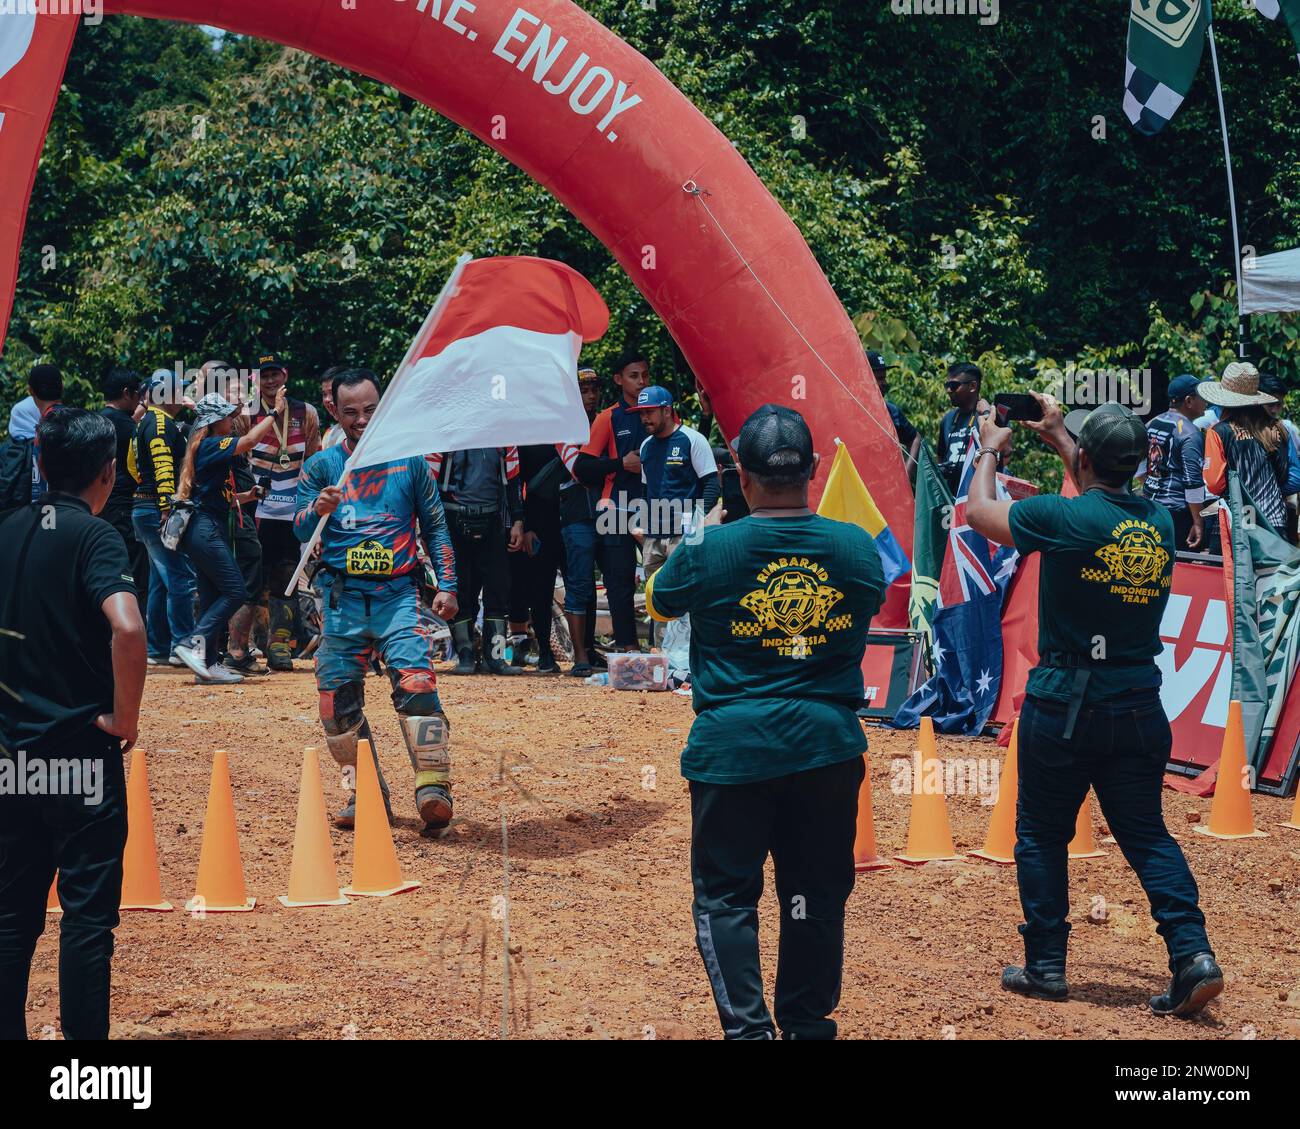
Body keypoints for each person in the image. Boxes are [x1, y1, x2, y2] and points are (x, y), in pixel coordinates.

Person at [966, 394, 1222, 1018]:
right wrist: (1060, 435)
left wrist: (988, 452)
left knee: (1041, 835)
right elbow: (1102, 496)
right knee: (1147, 835)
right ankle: (1192, 955)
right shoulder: (1158, 521)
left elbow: (979, 512)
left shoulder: (1062, 517)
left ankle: (1047, 965)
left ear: (1084, 458)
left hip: (1065, 705)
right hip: (1137, 703)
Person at [646, 404, 886, 1040]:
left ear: (739, 475)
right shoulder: (855, 547)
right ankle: (806, 1025)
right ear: (812, 470)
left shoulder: (707, 546)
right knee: (812, 894)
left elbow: (659, 600)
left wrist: (716, 525)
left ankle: (748, 1032)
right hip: (826, 748)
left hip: (734, 750)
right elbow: (871, 597)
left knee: (727, 897)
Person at [0, 407, 146, 1040]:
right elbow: (129, 626)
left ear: (38, 462)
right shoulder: (95, 536)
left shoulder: (6, 530)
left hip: (12, 755)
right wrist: (124, 717)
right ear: (109, 472)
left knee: (10, 917)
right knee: (87, 921)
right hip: (81, 757)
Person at [296, 369, 459, 831]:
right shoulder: (322, 467)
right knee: (335, 705)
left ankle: (434, 789)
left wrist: (447, 584)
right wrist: (316, 511)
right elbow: (300, 532)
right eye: (351, 413)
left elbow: (436, 525)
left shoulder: (409, 464)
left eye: (371, 410)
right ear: (334, 411)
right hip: (341, 600)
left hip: (398, 598)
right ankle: (365, 794)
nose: (362, 420)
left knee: (418, 689)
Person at [172, 392, 285, 685]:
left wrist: (250, 495)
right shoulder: (210, 444)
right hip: (204, 529)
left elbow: (219, 497)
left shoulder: (208, 449)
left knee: (212, 598)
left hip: (205, 528)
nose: (232, 421)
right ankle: (191, 643)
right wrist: (274, 414)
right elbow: (249, 442)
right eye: (227, 417)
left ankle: (206, 666)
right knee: (235, 591)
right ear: (213, 422)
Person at [247, 354, 321, 670]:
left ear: (285, 376)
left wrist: (312, 509)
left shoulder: (306, 412)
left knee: (287, 579)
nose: (270, 381)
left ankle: (280, 647)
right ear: (255, 379)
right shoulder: (246, 413)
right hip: (255, 511)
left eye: (275, 374)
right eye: (264, 376)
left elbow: (315, 460)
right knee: (251, 578)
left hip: (292, 511)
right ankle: (246, 644)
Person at [573, 352, 651, 651]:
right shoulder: (608, 417)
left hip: (654, 507)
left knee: (663, 576)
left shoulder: (662, 410)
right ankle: (628, 648)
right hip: (614, 507)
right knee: (619, 582)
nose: (641, 381)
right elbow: (582, 467)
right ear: (619, 380)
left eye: (644, 374)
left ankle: (663, 648)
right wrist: (621, 464)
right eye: (634, 375)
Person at [428, 445, 524, 676]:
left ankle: (497, 658)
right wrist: (427, 531)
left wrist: (518, 521)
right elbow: (427, 486)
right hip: (452, 520)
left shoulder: (504, 438)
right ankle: (466, 656)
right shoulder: (444, 436)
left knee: (499, 590)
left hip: (493, 519)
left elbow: (513, 482)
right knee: (460, 591)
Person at [130, 371, 196, 665]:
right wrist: (167, 507)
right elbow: (162, 466)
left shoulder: (145, 422)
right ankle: (181, 645)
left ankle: (157, 647)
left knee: (161, 578)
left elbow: (134, 466)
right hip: (157, 509)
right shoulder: (160, 423)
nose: (183, 396)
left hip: (144, 508)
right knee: (180, 577)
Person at [1200, 361, 1300, 543]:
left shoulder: (1218, 432)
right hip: (1274, 521)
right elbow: (1291, 477)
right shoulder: (1278, 428)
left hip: (1237, 522)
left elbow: (1214, 484)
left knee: (1232, 571)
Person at [632, 384, 719, 585]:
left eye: (649, 412)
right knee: (657, 602)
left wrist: (696, 525)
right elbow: (646, 490)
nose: (644, 418)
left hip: (683, 536)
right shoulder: (646, 446)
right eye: (641, 413)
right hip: (653, 538)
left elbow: (712, 485)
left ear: (667, 410)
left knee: (686, 600)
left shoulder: (693, 439)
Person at [507, 443, 569, 673]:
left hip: (576, 521)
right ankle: (545, 652)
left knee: (579, 588)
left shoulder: (582, 431)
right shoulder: (532, 435)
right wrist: (525, 526)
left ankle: (585, 653)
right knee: (540, 591)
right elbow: (516, 483)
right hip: (539, 525)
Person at [558, 369, 603, 676]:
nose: (590, 396)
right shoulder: (561, 427)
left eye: (593, 390)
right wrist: (610, 466)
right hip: (575, 514)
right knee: (579, 583)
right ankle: (579, 654)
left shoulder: (605, 421)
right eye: (583, 390)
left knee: (604, 584)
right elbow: (579, 470)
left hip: (610, 512)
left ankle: (591, 647)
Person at [98, 369, 150, 617]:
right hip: (126, 504)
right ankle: (134, 623)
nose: (140, 400)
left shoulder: (97, 420)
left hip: (100, 502)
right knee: (135, 567)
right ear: (126, 393)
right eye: (137, 394)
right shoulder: (130, 427)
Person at [1139, 373, 1207, 551]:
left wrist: (1153, 487)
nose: (1206, 402)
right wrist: (1198, 523)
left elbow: (1138, 467)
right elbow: (1192, 482)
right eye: (1202, 397)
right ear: (1189, 401)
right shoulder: (1190, 433)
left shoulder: (1151, 423)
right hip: (1176, 514)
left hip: (1149, 508)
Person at [938, 361, 1007, 490]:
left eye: (953, 386)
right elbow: (941, 456)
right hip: (952, 499)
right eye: (946, 385)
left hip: (981, 495)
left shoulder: (991, 415)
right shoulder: (947, 419)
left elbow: (1005, 452)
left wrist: (986, 414)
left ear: (973, 386)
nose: (948, 390)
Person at [868, 350, 921, 476]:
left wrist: (906, 475)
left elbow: (915, 438)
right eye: (879, 378)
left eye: (884, 377)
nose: (884, 383)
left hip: (888, 488)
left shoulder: (891, 411)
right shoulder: (848, 411)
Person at [318, 364, 348, 449]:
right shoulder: (329, 433)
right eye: (324, 394)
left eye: (332, 392)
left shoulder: (365, 430)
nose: (327, 399)